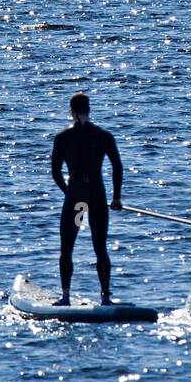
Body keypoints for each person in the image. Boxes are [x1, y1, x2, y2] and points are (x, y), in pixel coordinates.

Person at [51, 92, 123, 306]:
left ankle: (65, 296)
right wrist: (116, 197)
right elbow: (117, 168)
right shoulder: (103, 136)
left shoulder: (63, 137)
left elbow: (55, 172)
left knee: (68, 247)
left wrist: (68, 192)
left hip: (78, 202)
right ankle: (105, 296)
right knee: (100, 246)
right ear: (89, 110)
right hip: (97, 197)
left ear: (71, 111)